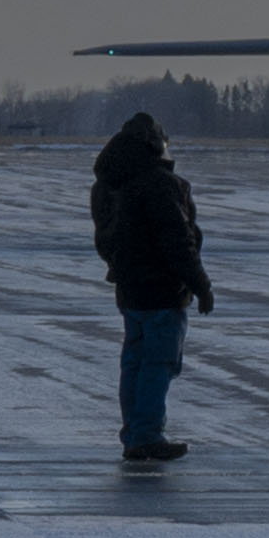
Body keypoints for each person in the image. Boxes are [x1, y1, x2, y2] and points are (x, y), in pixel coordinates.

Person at [87, 112, 214, 463]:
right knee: (158, 364)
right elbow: (179, 242)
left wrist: (123, 267)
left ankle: (135, 433)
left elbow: (104, 240)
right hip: (162, 292)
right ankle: (146, 436)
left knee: (134, 363)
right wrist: (200, 285)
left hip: (130, 291)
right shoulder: (160, 184)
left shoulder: (107, 185)